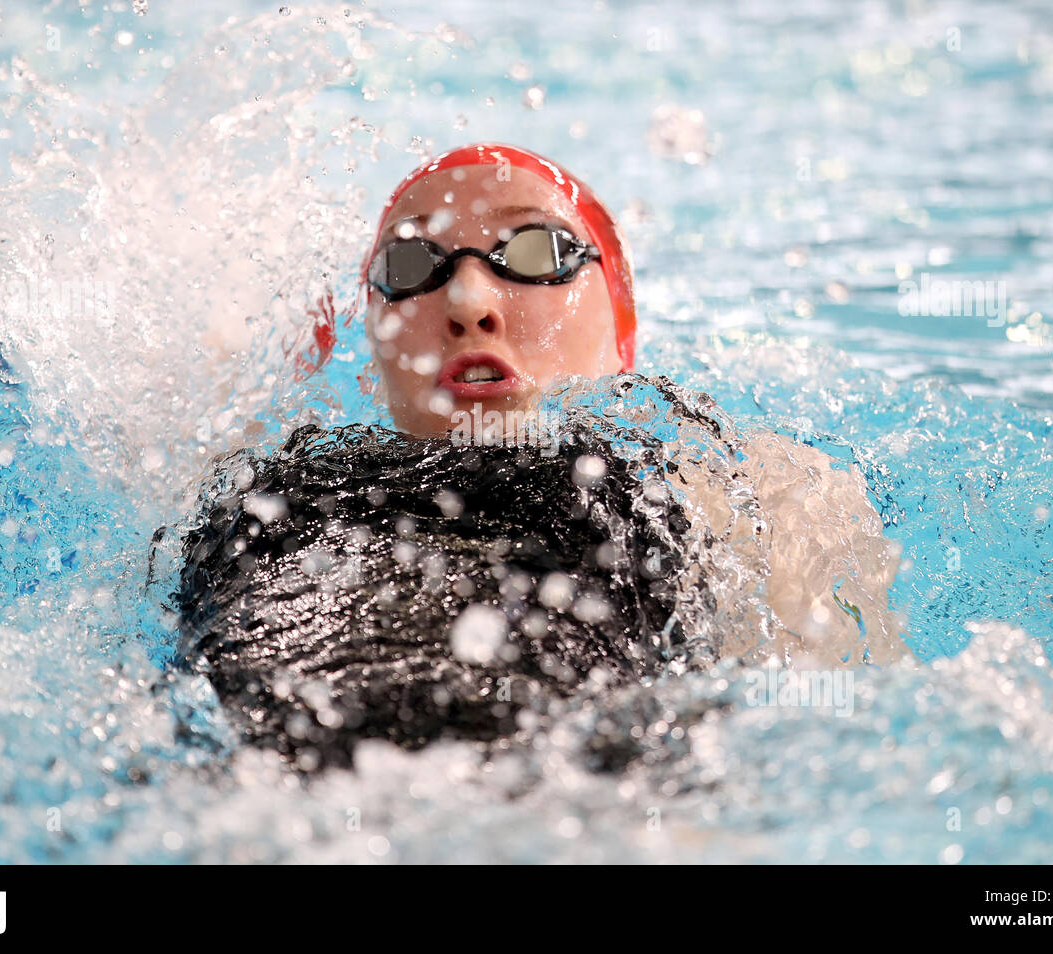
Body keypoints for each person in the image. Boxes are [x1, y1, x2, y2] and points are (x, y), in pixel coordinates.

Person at [175, 143, 909, 771]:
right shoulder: (270, 483)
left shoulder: (735, 479)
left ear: (622, 329)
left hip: (577, 797)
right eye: (411, 265)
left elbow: (833, 726)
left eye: (536, 252)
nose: (466, 300)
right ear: (371, 354)